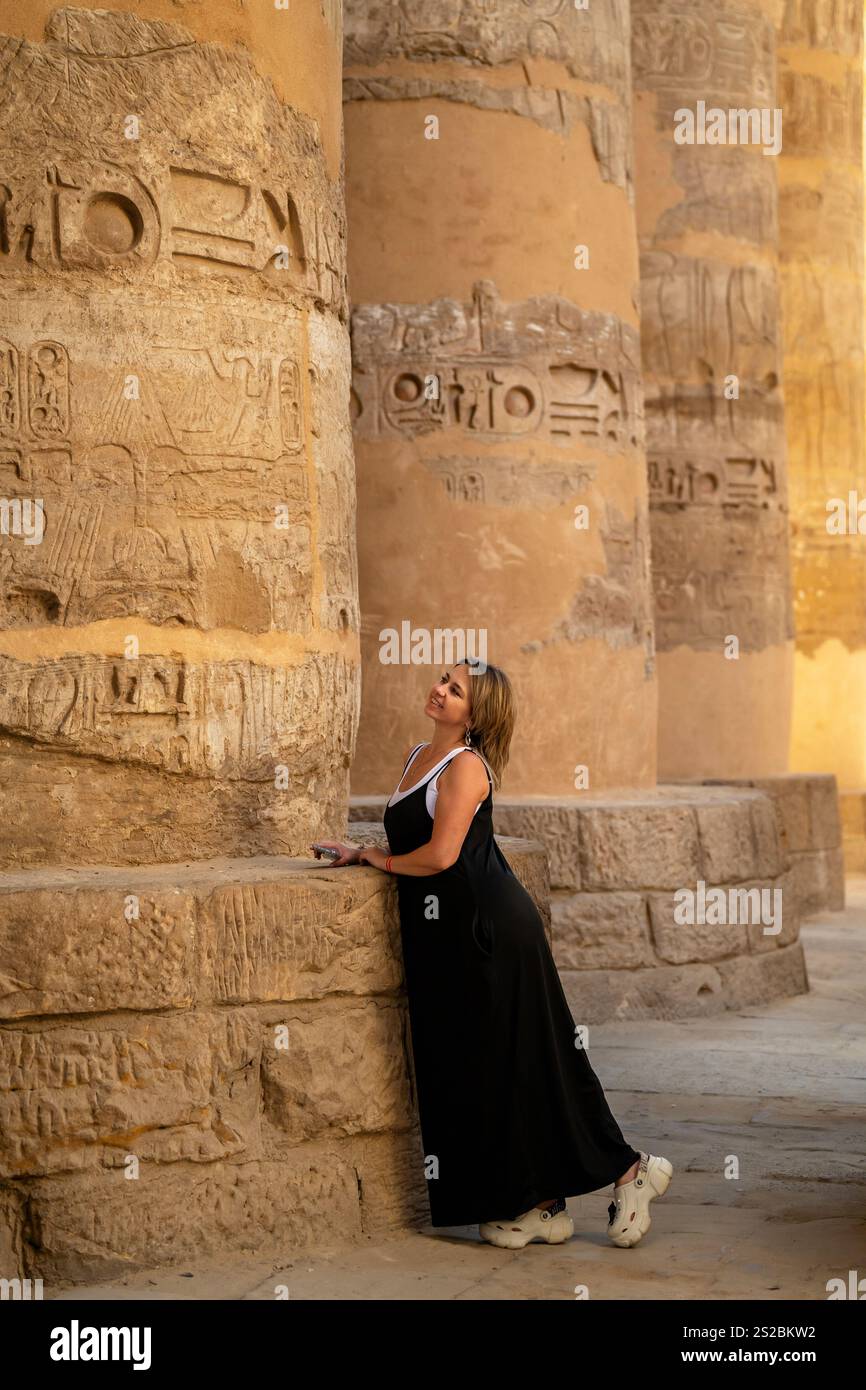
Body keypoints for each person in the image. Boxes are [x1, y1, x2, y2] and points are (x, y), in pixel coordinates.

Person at [312, 657, 673, 1248]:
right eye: (443, 680)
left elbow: (440, 857)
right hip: (450, 932)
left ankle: (630, 1171)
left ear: (476, 716)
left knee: (533, 1057)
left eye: (456, 691)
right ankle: (538, 1204)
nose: (440, 691)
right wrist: (363, 849)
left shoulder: (467, 768)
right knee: (487, 1066)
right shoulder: (416, 758)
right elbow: (416, 837)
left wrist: (374, 860)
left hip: (490, 929)